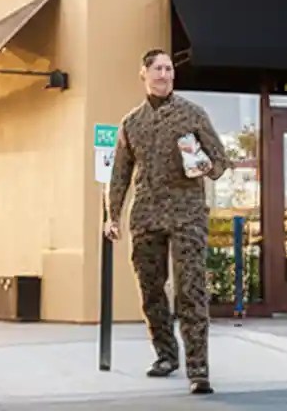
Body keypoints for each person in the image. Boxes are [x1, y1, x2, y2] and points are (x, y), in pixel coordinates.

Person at [104, 49, 232, 395]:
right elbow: (120, 174)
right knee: (150, 290)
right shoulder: (132, 123)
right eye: (158, 68)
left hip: (187, 215)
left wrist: (204, 165)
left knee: (190, 290)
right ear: (144, 73)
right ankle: (165, 354)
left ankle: (198, 369)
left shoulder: (192, 114)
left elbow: (220, 162)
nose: (165, 74)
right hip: (145, 216)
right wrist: (112, 215)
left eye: (169, 68)